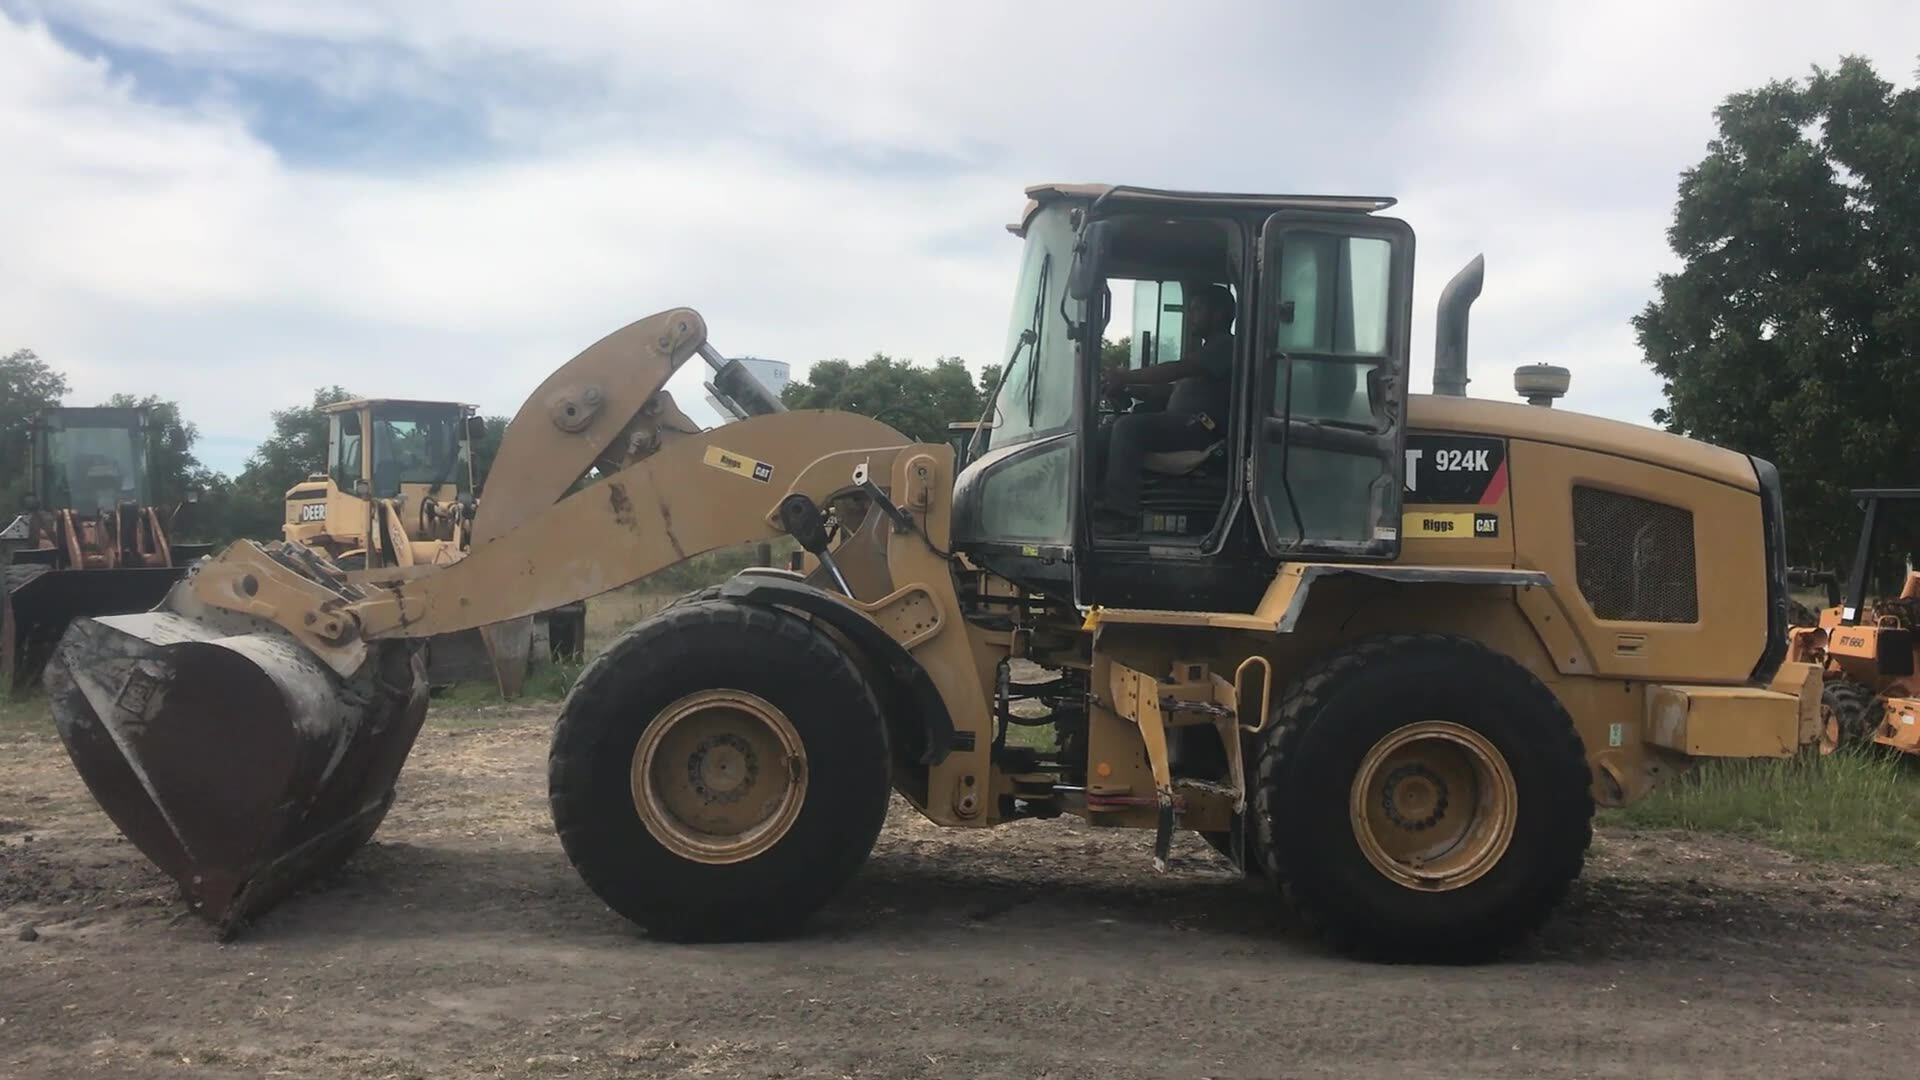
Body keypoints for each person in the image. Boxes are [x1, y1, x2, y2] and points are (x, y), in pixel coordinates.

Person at [1094, 283, 1236, 533]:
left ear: (1219, 314)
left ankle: (1120, 513)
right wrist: (1127, 390)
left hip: (1202, 430)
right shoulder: (1204, 352)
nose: (1190, 315)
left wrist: (1127, 376)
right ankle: (1090, 504)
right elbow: (1169, 391)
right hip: (1182, 424)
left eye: (1197, 309)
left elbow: (1178, 370)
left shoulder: (1226, 346)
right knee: (1102, 434)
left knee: (1127, 428)